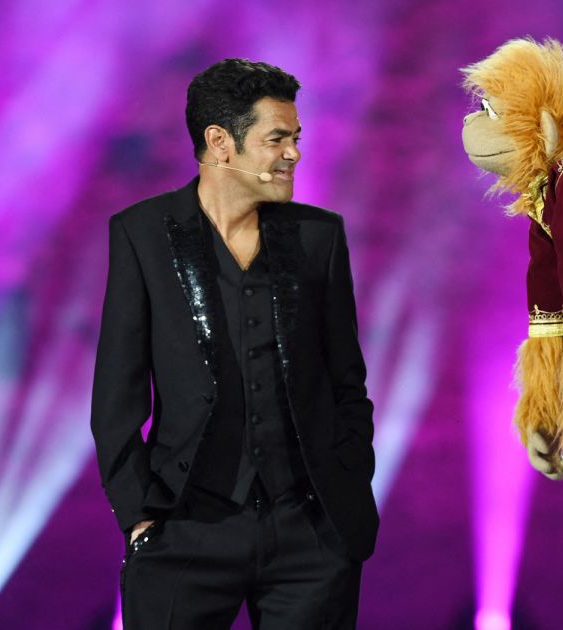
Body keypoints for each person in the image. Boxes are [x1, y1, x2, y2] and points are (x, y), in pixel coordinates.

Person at [91, 58, 376, 629]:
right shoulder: (142, 235)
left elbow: (348, 382)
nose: (293, 153)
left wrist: (347, 476)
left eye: (296, 138)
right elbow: (116, 394)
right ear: (220, 143)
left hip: (310, 533)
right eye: (277, 139)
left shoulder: (319, 238)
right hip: (184, 527)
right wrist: (140, 515)